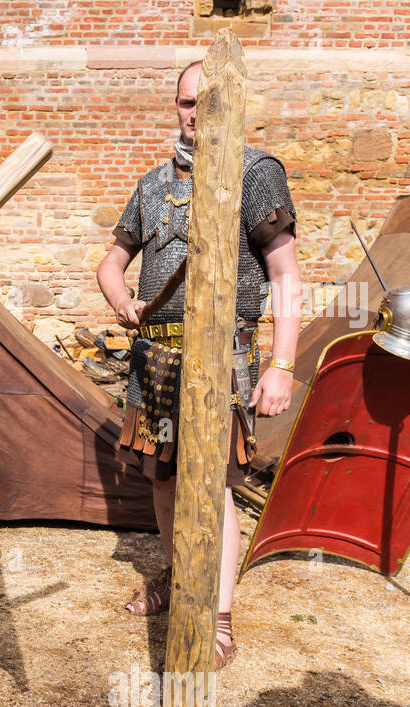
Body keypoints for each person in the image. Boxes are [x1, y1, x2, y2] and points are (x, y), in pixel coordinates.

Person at [96, 61, 303, 667]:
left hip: (226, 355)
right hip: (156, 358)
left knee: (214, 485)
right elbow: (111, 264)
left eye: (205, 103)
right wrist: (124, 301)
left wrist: (283, 364)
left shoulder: (257, 174)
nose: (194, 114)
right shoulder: (153, 184)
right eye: (186, 103)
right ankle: (179, 577)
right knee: (165, 476)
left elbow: (287, 276)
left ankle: (217, 615)